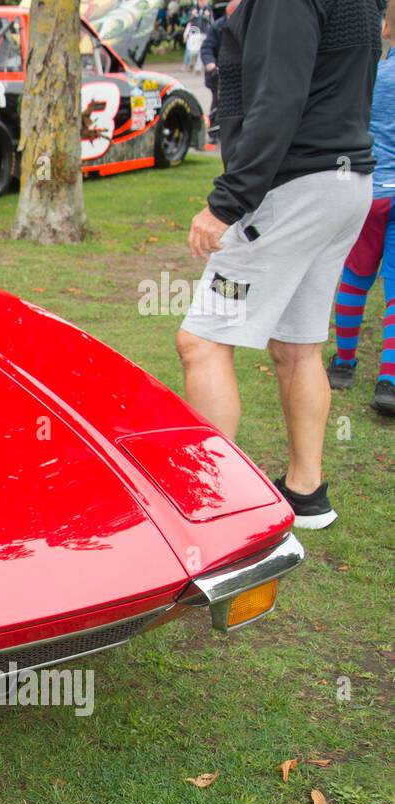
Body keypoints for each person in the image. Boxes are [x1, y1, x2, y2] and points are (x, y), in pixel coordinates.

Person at [176, 0, 382, 530]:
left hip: (294, 188)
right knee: (297, 345)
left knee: (202, 341)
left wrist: (226, 202)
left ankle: (213, 503)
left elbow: (279, 101)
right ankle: (305, 492)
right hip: (344, 183)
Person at [326, 4, 395, 415]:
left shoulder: (374, 73)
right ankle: (389, 379)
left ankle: (344, 364)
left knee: (355, 274)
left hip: (371, 189)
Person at [200, 0, 241, 146]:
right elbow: (206, 48)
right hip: (218, 72)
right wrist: (210, 63)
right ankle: (213, 132)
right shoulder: (217, 27)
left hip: (236, 73)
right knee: (218, 101)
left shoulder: (244, 26)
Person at [184, 0, 214, 72]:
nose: (202, 2)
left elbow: (211, 21)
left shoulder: (208, 9)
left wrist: (207, 16)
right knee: (193, 51)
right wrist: (192, 15)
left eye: (203, 1)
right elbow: (188, 21)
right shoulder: (193, 9)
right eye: (200, 1)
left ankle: (198, 68)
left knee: (201, 50)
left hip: (204, 32)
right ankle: (192, 63)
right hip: (194, 31)